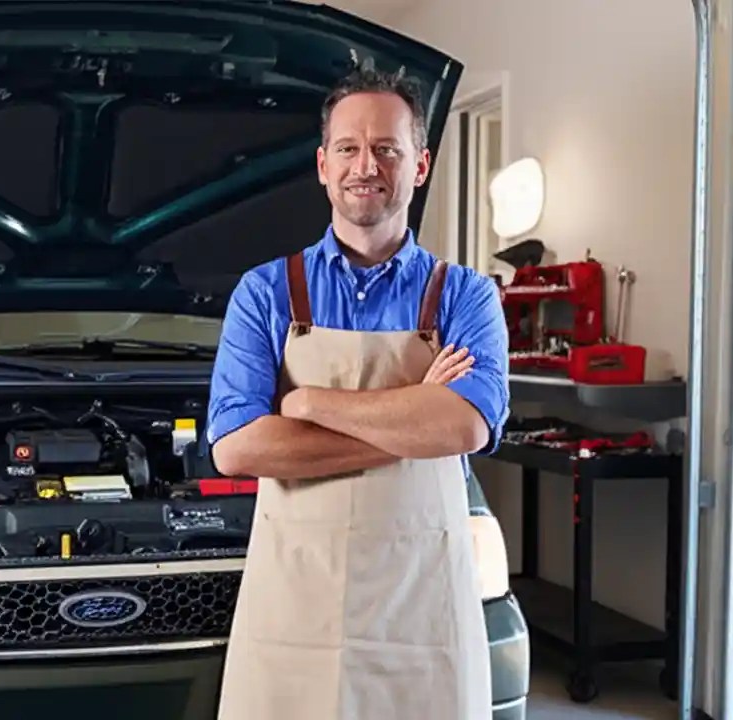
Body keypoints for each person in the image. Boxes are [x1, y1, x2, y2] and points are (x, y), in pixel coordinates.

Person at [207, 68, 510, 720]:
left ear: (420, 165)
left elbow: (462, 430)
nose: (364, 165)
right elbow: (236, 448)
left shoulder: (467, 296)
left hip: (423, 613)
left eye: (387, 149)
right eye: (348, 147)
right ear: (322, 164)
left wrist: (309, 404)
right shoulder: (263, 293)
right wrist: (410, 418)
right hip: (296, 614)